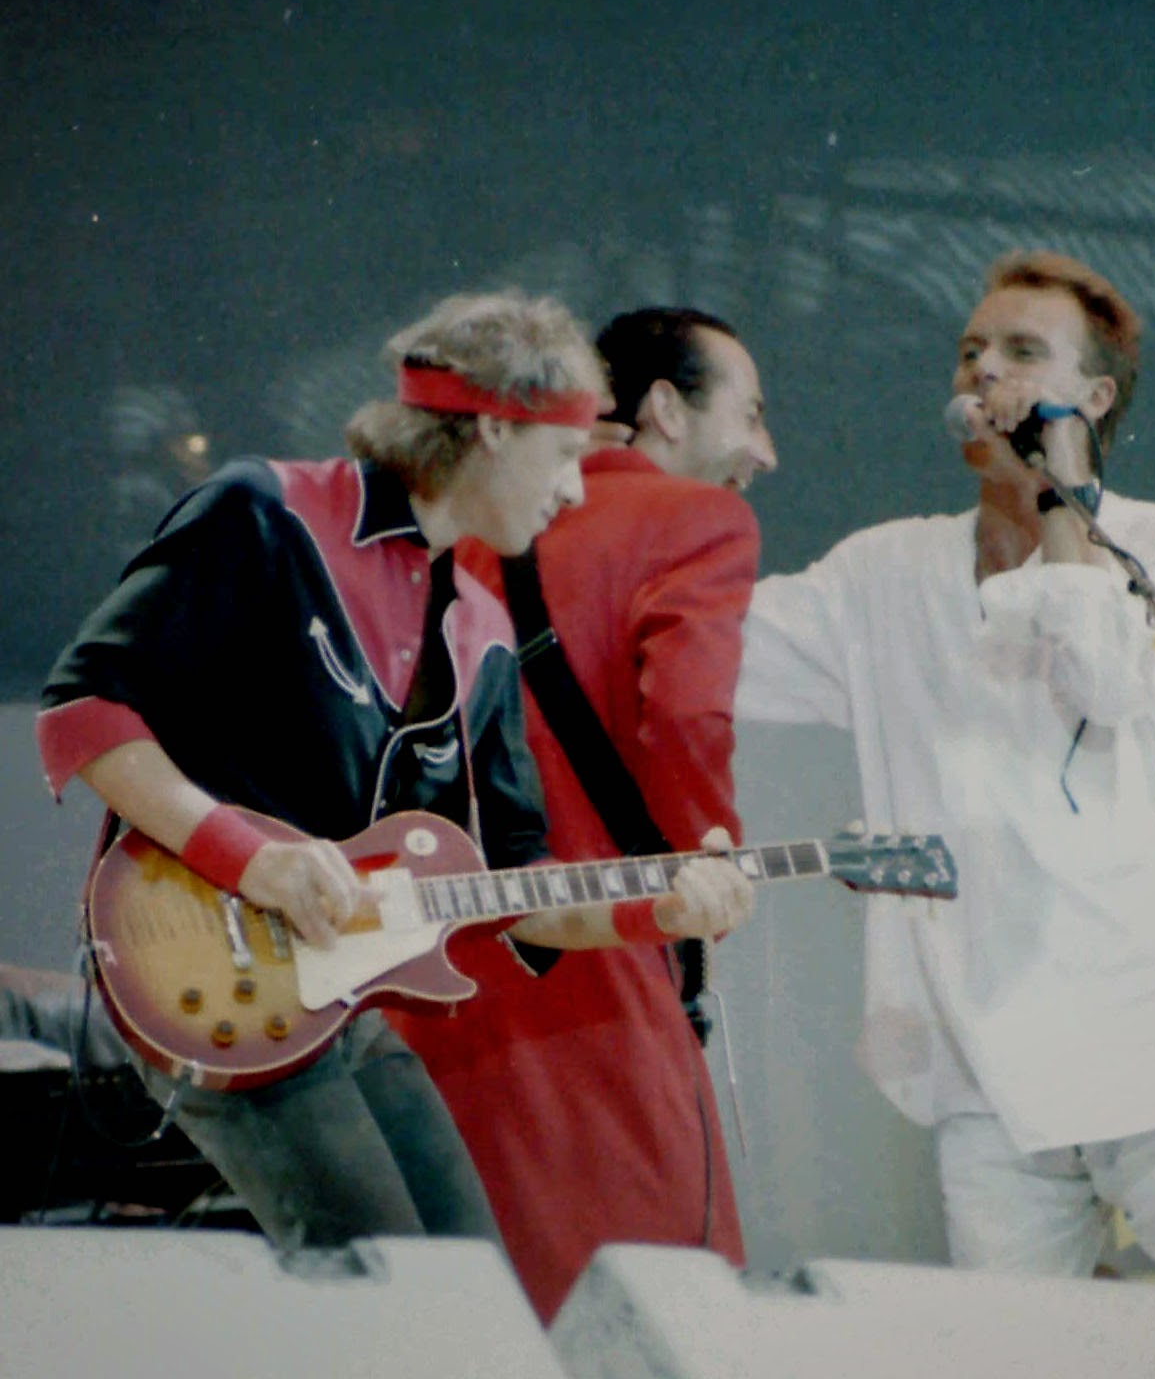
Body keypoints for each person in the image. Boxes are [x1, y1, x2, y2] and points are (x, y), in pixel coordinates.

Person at [35, 290, 751, 1256]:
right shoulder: (269, 512)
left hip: (331, 997)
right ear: (496, 429)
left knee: (458, 1277)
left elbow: (513, 890)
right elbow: (86, 704)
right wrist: (253, 860)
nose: (577, 492)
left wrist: (658, 909)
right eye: (569, 456)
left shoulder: (483, 630)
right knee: (388, 1288)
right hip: (201, 966)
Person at [735, 251, 1155, 1309]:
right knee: (1009, 1352)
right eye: (969, 350)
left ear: (1092, 395)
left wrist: (1062, 494)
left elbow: (1112, 679)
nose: (980, 370)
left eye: (1019, 352)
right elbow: (720, 651)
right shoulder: (885, 571)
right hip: (989, 1062)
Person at [393, 305, 776, 1322]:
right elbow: (687, 712)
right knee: (663, 1306)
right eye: (751, 413)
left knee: (476, 1316)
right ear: (658, 409)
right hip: (599, 974)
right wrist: (707, 869)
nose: (766, 452)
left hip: (439, 980)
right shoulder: (697, 519)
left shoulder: (464, 534)